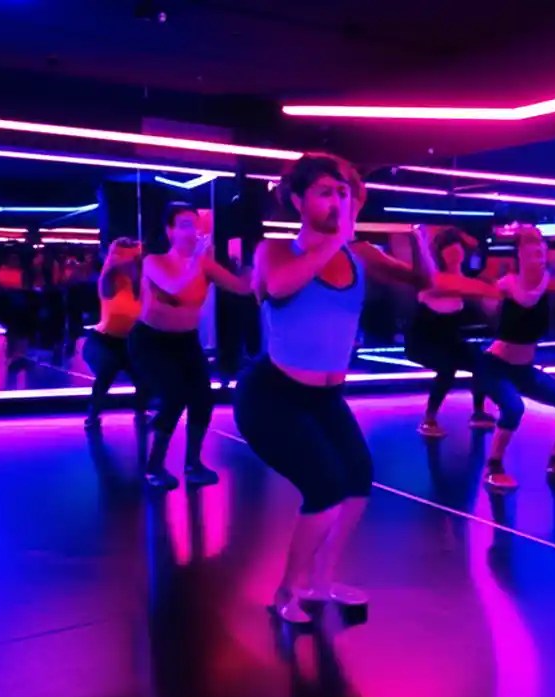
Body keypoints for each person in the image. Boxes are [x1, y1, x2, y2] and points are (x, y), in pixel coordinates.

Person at [233, 152, 436, 624]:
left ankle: (322, 581)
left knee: (358, 478)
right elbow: (280, 287)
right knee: (324, 488)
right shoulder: (275, 252)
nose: (336, 201)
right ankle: (287, 591)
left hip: (325, 398)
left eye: (343, 193)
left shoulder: (360, 255)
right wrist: (337, 239)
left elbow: (425, 282)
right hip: (271, 396)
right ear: (298, 201)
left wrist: (420, 240)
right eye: (325, 192)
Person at [129, 202, 252, 490]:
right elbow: (175, 287)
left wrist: (254, 268)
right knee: (174, 396)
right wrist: (197, 258)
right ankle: (154, 466)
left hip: (185, 340)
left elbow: (241, 287)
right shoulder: (154, 262)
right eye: (184, 225)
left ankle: (193, 464)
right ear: (170, 231)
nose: (192, 231)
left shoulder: (204, 264)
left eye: (195, 225)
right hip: (150, 341)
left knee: (203, 399)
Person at [477, 226, 555, 492]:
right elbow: (485, 298)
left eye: (540, 246)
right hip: (495, 366)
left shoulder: (548, 283)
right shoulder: (508, 285)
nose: (537, 251)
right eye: (530, 245)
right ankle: (493, 466)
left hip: (524, 370)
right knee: (513, 408)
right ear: (520, 254)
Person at [405, 227, 500, 437]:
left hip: (449, 342)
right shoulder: (434, 279)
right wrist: (420, 238)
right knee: (447, 368)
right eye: (449, 251)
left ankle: (478, 413)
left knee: (480, 360)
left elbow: (481, 257)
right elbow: (429, 265)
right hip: (422, 343)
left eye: (458, 250)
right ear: (441, 256)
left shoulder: (466, 279)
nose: (455, 254)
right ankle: (429, 419)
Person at [82, 237, 146, 428]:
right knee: (106, 374)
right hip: (106, 340)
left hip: (131, 340)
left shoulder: (142, 281)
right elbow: (112, 271)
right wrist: (122, 256)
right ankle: (92, 415)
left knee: (142, 378)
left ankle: (141, 412)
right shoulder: (109, 279)